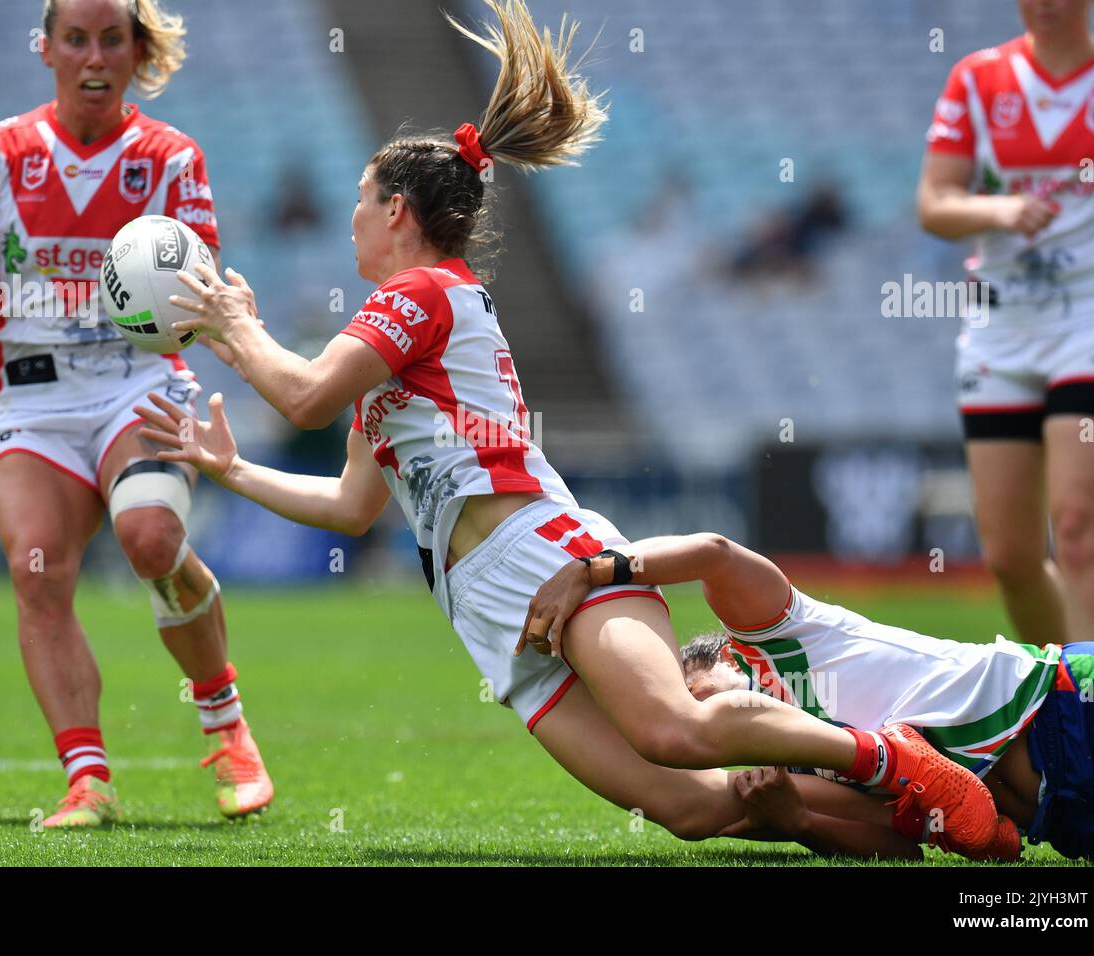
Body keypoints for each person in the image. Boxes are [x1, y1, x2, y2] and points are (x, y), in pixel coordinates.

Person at [133, 0, 1003, 854]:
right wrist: (234, 468)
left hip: (544, 554)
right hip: (484, 615)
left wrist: (227, 325)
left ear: (397, 210)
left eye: (363, 198)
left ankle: (897, 764)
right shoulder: (390, 342)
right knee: (698, 809)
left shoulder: (422, 294)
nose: (352, 214)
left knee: (673, 729)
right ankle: (900, 815)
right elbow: (354, 507)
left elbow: (306, 397)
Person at [0, 0, 272, 827]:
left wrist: (223, 308)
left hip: (137, 384)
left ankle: (226, 724)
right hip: (34, 403)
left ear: (138, 50)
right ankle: (87, 781)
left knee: (150, 539)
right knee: (38, 567)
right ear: (48, 49)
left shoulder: (172, 159)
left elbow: (198, 298)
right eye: (77, 39)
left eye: (113, 39)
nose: (94, 57)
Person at [523, 532, 1094, 861]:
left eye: (697, 696)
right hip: (1066, 819)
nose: (703, 725)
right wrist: (799, 822)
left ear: (730, 658)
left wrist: (592, 570)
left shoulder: (778, 631)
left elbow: (714, 555)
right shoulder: (801, 763)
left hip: (1070, 702)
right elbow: (898, 848)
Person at [917, 0, 1094, 648]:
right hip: (1002, 330)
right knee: (1010, 558)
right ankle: (1063, 688)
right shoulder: (979, 80)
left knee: (1076, 529)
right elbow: (935, 203)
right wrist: (1003, 209)